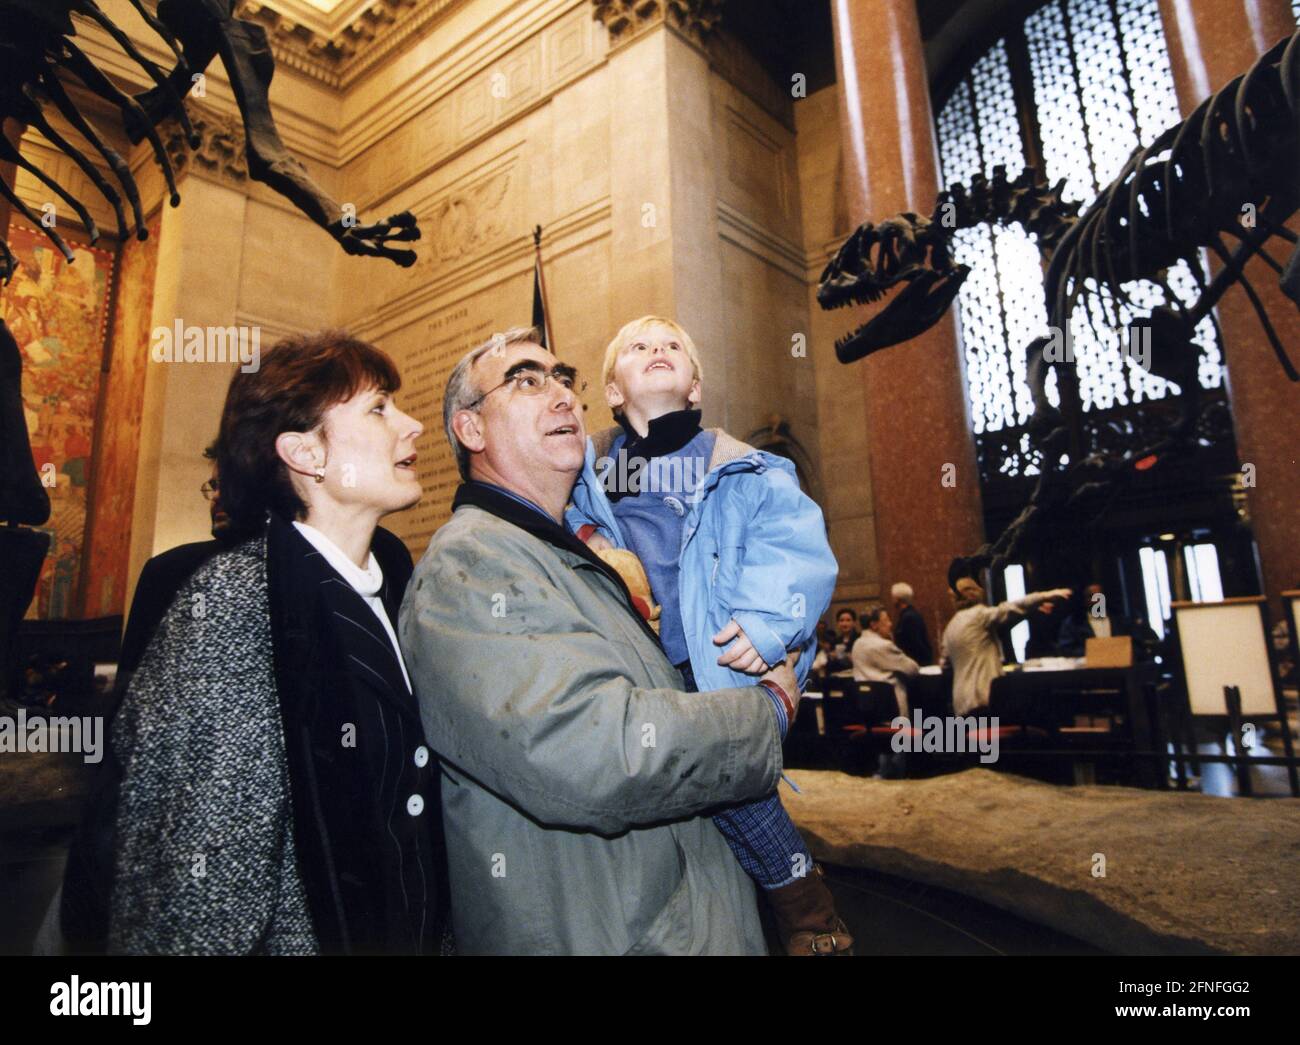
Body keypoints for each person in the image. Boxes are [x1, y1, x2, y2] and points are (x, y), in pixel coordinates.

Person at [402, 327, 828, 956]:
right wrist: (766, 710)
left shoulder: (568, 550)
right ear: (471, 431)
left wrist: (772, 626)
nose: (563, 397)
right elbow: (598, 749)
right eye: (526, 380)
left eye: (563, 380)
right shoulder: (471, 566)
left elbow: (791, 553)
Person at [101, 331, 449, 955]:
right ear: (305, 454)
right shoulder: (234, 606)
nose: (414, 425)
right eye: (378, 408)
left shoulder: (396, 583)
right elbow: (205, 889)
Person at [565, 315, 848, 955]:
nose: (657, 351)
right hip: (639, 671)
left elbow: (793, 548)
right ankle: (793, 909)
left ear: (695, 387)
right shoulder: (596, 470)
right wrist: (592, 540)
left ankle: (811, 914)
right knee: (708, 797)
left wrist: (770, 621)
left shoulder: (747, 468)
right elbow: (565, 520)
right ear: (612, 391)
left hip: (723, 663)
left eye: (673, 347)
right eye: (638, 348)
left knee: (725, 778)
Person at [940, 576, 1072, 716]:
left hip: (961, 704)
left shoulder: (950, 627)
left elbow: (945, 665)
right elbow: (1011, 608)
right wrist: (1045, 595)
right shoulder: (979, 615)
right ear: (976, 594)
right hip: (984, 700)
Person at [851, 606, 919, 717]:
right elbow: (913, 669)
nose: (890, 624)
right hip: (891, 709)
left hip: (866, 708)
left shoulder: (857, 644)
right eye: (886, 620)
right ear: (874, 625)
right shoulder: (884, 645)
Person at [890, 582, 933, 666]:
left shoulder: (908, 618)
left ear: (898, 599)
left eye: (893, 597)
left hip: (916, 664)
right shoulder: (913, 614)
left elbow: (914, 644)